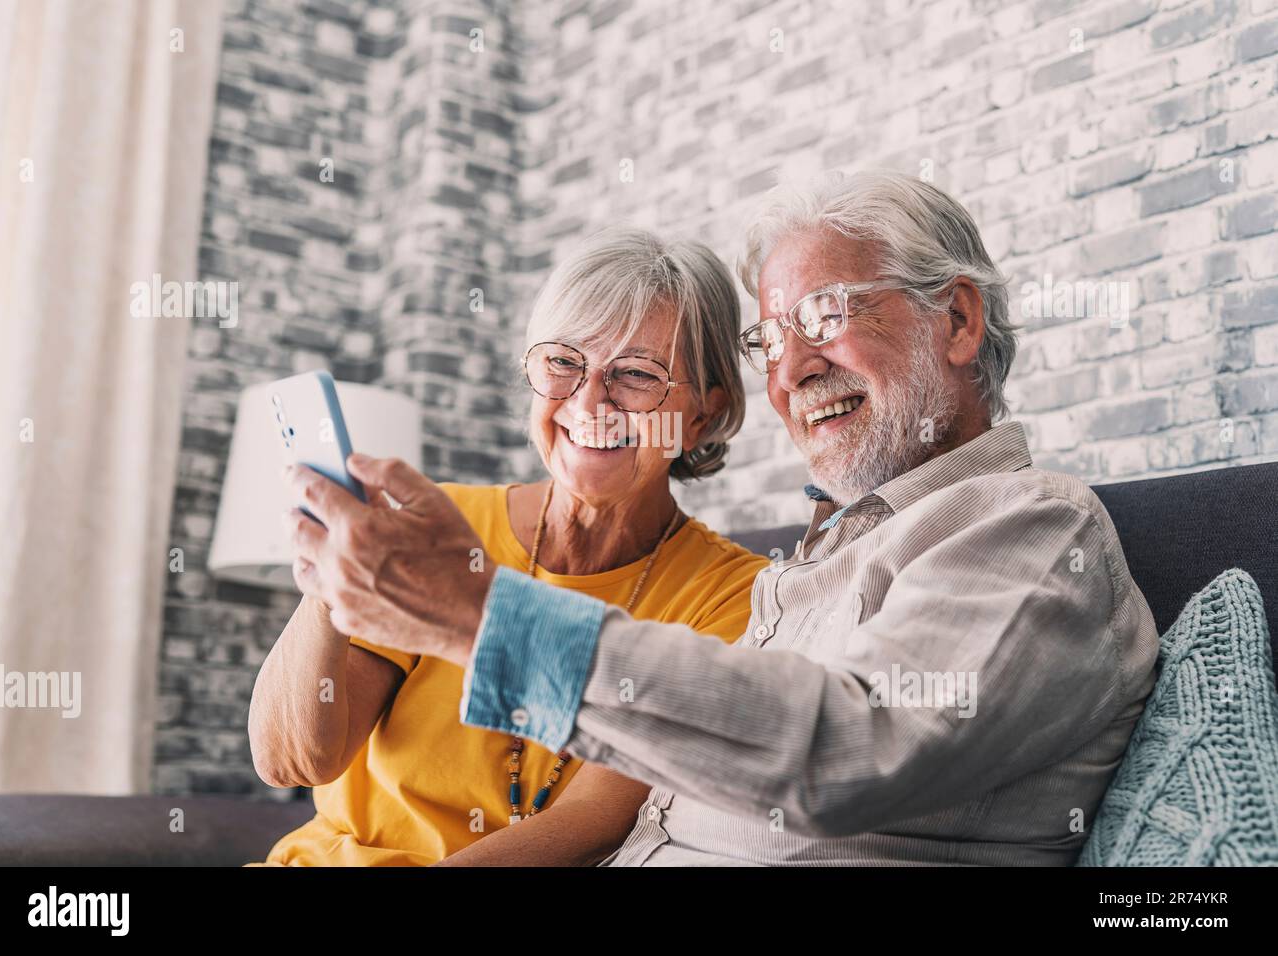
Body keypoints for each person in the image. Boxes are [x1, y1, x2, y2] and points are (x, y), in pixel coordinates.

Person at [283, 169, 1160, 865]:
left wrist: (480, 618)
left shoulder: (1032, 527)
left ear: (958, 320)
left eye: (824, 316)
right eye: (771, 340)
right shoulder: (817, 564)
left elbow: (850, 748)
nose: (792, 370)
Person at [250, 227, 767, 865]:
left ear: (703, 416)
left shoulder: (735, 597)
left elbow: (594, 820)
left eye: (636, 374)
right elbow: (294, 760)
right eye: (563, 363)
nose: (589, 401)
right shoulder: (445, 527)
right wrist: (331, 579)